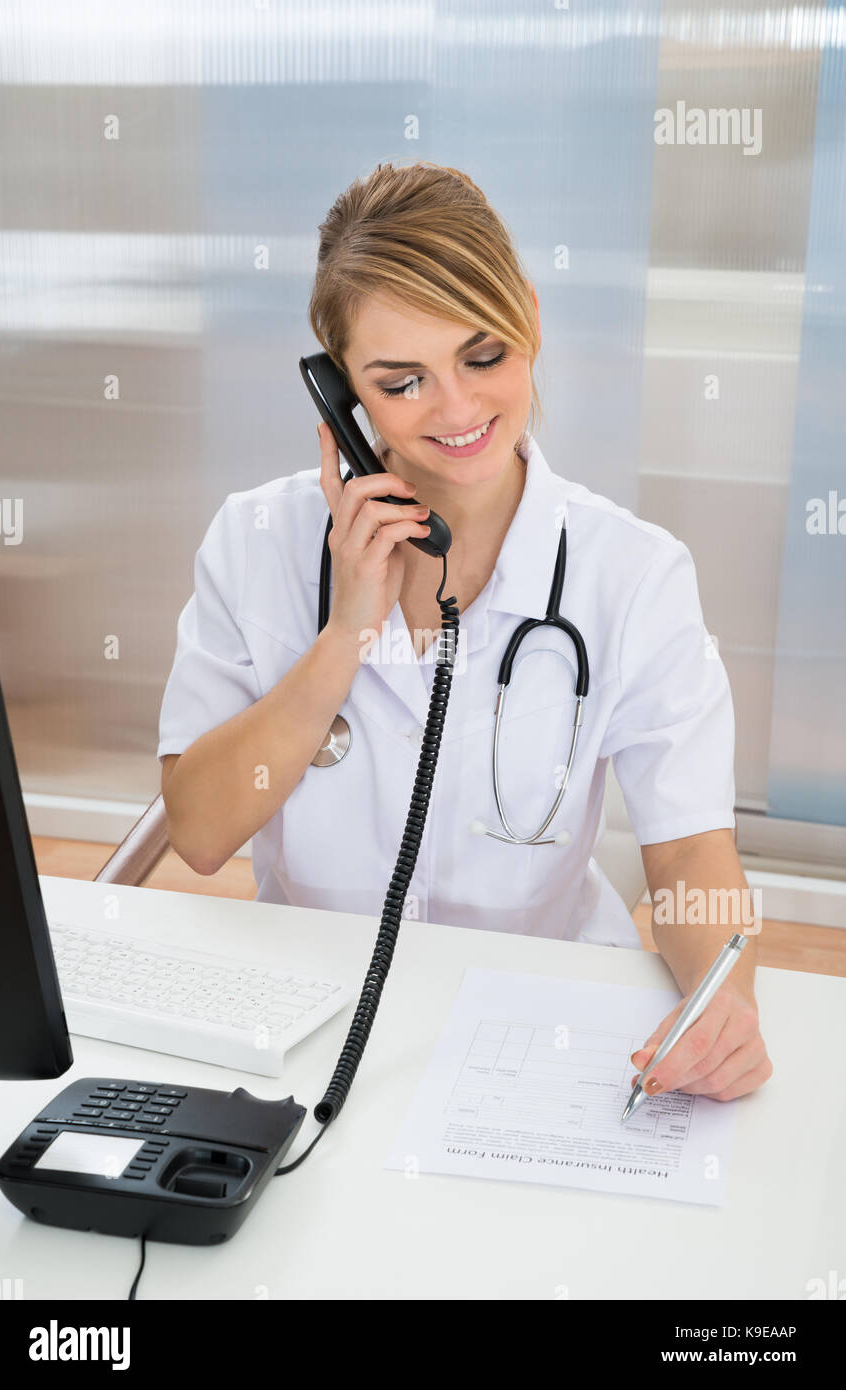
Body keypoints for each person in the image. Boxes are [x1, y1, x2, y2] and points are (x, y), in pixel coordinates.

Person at [158, 160, 772, 1104]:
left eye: (483, 356)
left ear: (526, 316)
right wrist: (344, 636)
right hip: (313, 1021)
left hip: (546, 1020)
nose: (456, 410)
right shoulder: (256, 544)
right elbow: (198, 834)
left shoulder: (633, 573)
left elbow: (690, 852)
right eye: (400, 382)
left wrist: (723, 999)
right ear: (340, 393)